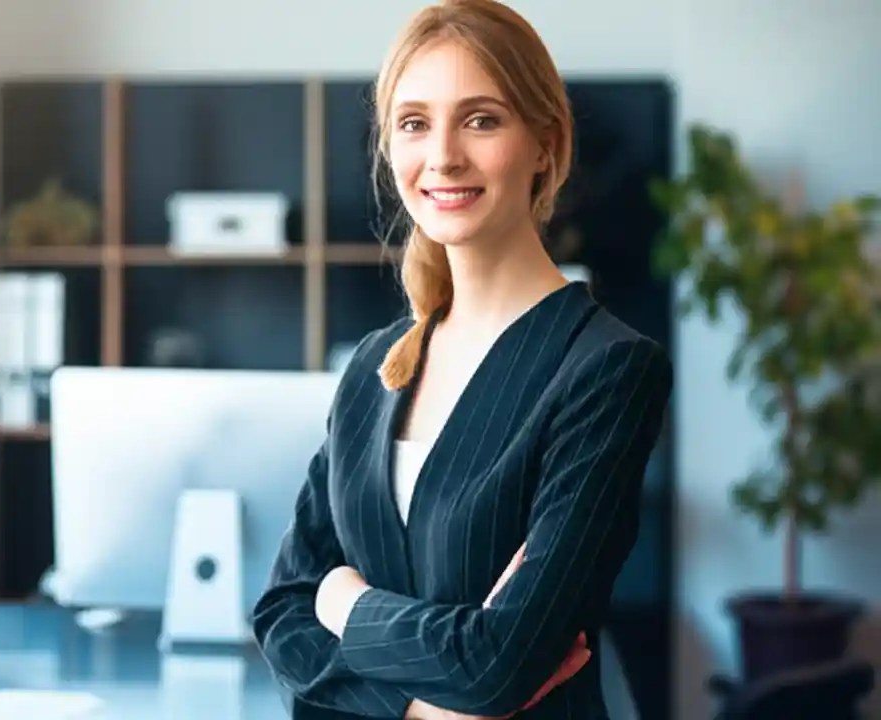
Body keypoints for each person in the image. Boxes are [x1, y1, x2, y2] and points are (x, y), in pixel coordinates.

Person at [251, 1, 674, 718]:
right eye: (414, 123)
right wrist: (424, 710)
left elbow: (499, 663)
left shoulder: (606, 369)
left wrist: (345, 601)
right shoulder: (374, 369)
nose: (443, 155)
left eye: (480, 119)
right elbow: (283, 612)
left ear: (545, 143)